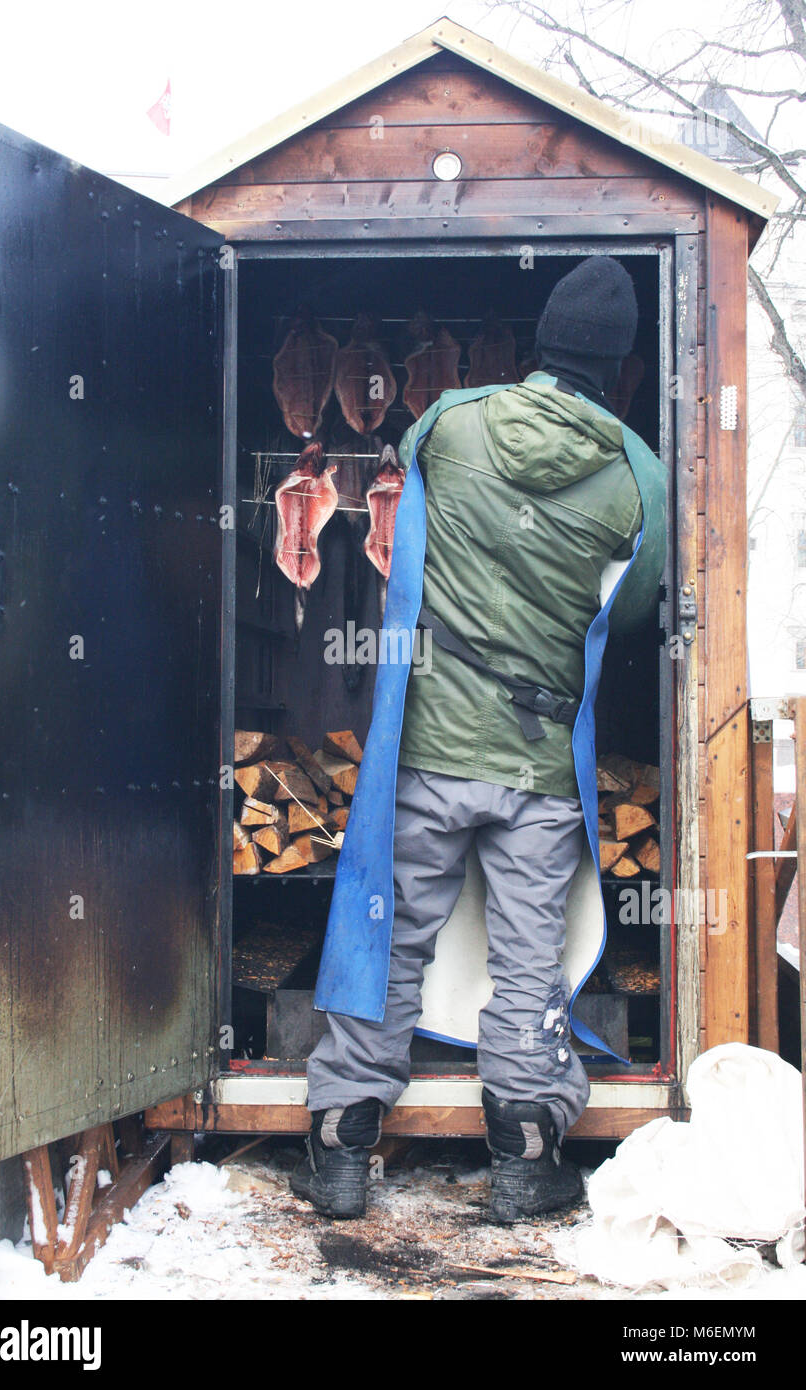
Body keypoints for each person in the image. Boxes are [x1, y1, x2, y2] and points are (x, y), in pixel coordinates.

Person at [292, 257, 648, 1222]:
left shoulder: (453, 420)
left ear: (540, 342)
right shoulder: (636, 472)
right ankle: (525, 1168)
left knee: (388, 943)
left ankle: (338, 1154)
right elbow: (645, 601)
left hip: (432, 748)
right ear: (617, 370)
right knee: (530, 964)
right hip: (540, 770)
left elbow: (405, 447)